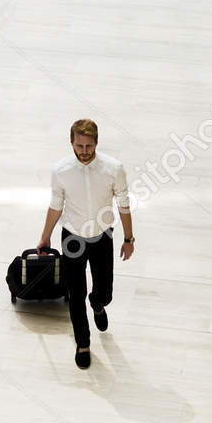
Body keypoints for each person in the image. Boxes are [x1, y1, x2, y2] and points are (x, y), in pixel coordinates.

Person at [37, 119, 134, 369]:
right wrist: (45, 235)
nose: (83, 151)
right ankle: (83, 343)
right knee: (75, 294)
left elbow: (124, 204)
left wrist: (128, 238)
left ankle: (99, 303)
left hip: (103, 236)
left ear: (96, 143)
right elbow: (55, 205)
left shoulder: (114, 168)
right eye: (79, 145)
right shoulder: (61, 170)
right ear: (71, 143)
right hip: (73, 238)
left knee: (105, 291)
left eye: (88, 145)